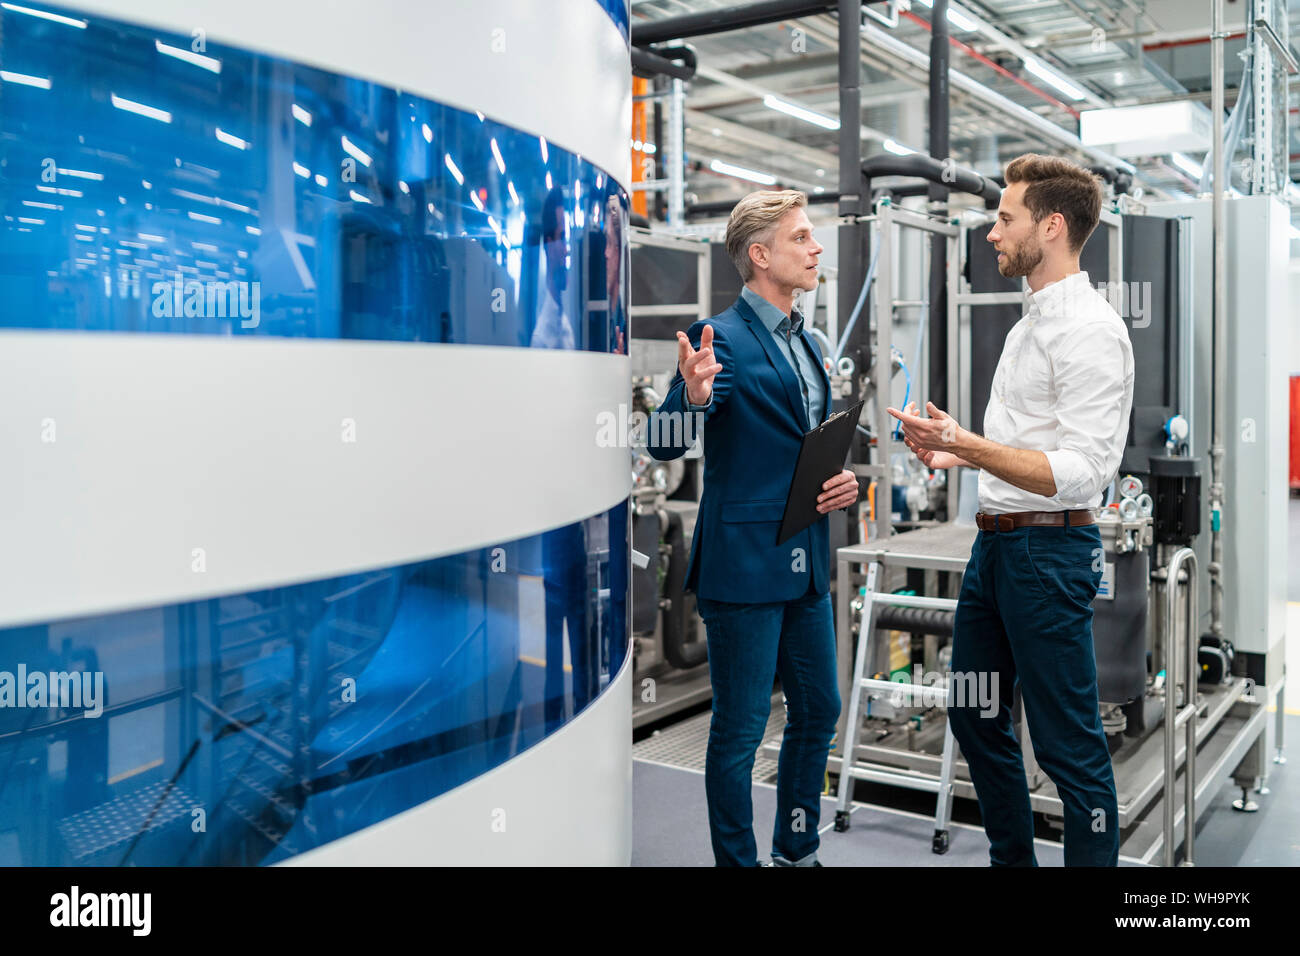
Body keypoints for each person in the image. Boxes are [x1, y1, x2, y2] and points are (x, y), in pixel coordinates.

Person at [888, 153, 1135, 867]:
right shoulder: (1029, 325)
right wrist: (954, 453)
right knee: (972, 713)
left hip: (1048, 556)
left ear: (1051, 226)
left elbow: (1083, 471)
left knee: (1067, 745)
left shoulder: (1088, 328)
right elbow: (1025, 451)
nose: (991, 232)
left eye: (1005, 218)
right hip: (995, 549)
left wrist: (966, 440)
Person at [647, 190, 858, 867]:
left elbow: (804, 442)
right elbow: (661, 442)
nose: (816, 247)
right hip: (743, 568)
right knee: (738, 732)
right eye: (801, 237)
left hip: (806, 558)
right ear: (760, 255)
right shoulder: (722, 340)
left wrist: (839, 483)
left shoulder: (813, 341)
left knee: (819, 710)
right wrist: (693, 397)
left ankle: (796, 849)